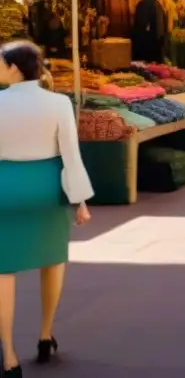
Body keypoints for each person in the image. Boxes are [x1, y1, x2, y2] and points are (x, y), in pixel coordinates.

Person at [0, 41, 93, 378]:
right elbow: (71, 154)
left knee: (3, 268)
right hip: (47, 187)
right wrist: (80, 200)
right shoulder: (58, 103)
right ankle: (44, 335)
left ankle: (8, 354)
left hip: (5, 186)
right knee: (52, 259)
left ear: (14, 67)